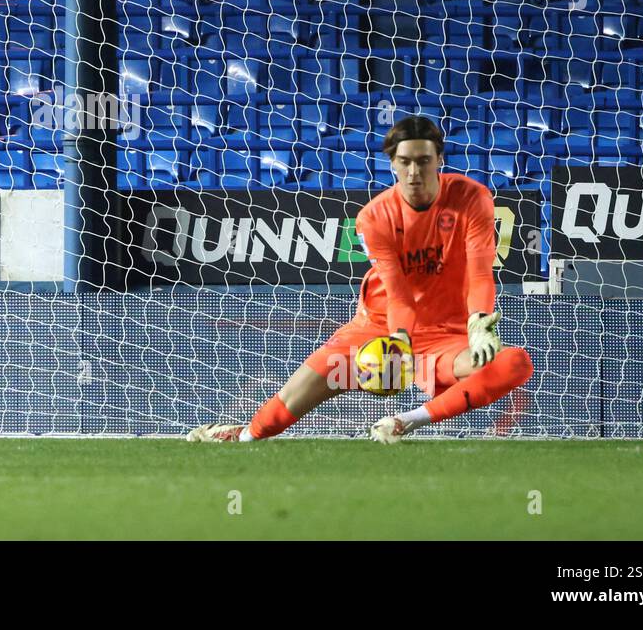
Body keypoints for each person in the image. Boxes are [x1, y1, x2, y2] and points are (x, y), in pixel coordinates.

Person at [188, 115, 533, 444]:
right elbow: (398, 295)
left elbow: (479, 271)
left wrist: (477, 322)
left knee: (514, 363)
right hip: (378, 330)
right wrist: (398, 344)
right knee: (285, 408)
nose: (415, 172)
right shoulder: (374, 217)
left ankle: (405, 421)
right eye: (405, 161)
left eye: (424, 160)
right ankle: (242, 436)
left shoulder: (472, 197)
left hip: (445, 338)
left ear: (439, 158)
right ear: (393, 163)